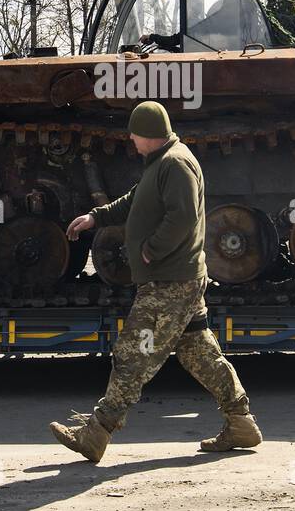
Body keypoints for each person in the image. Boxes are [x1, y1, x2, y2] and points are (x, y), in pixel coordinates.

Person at [51, 100, 260, 463]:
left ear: (149, 134)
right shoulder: (160, 163)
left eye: (134, 132)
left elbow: (182, 216)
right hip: (178, 280)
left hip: (170, 281)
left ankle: (96, 432)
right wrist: (95, 217)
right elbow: (137, 201)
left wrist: (151, 250)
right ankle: (240, 422)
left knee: (132, 354)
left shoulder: (176, 164)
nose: (130, 138)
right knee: (202, 356)